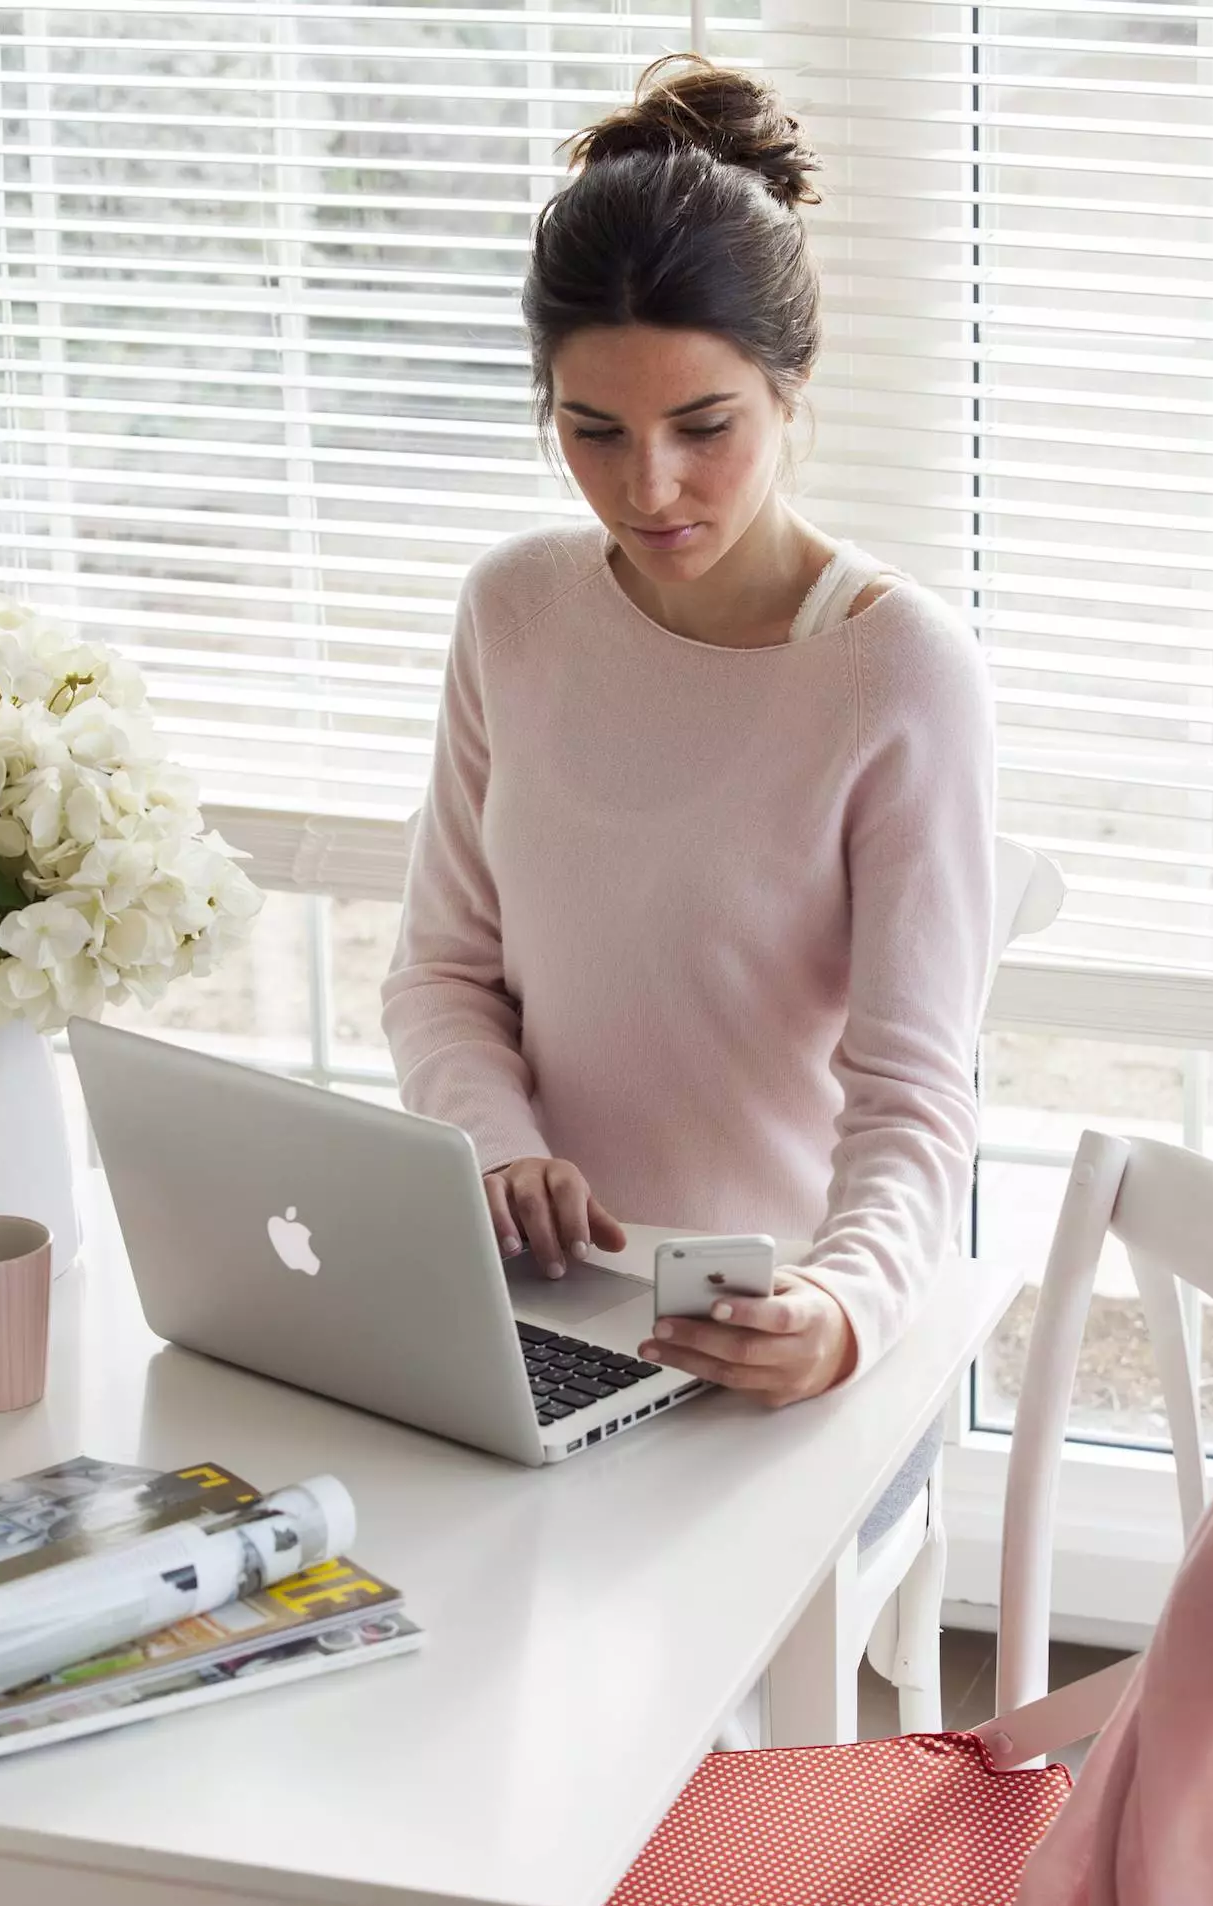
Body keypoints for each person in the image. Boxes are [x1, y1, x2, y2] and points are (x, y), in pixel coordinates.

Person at [382, 58, 994, 1445]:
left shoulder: (899, 674)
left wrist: (840, 1309)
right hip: (527, 1309)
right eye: (593, 433)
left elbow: (914, 1097)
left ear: (789, 388)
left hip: (762, 1335)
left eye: (702, 428)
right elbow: (442, 974)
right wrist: (500, 1148)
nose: (647, 487)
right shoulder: (516, 610)